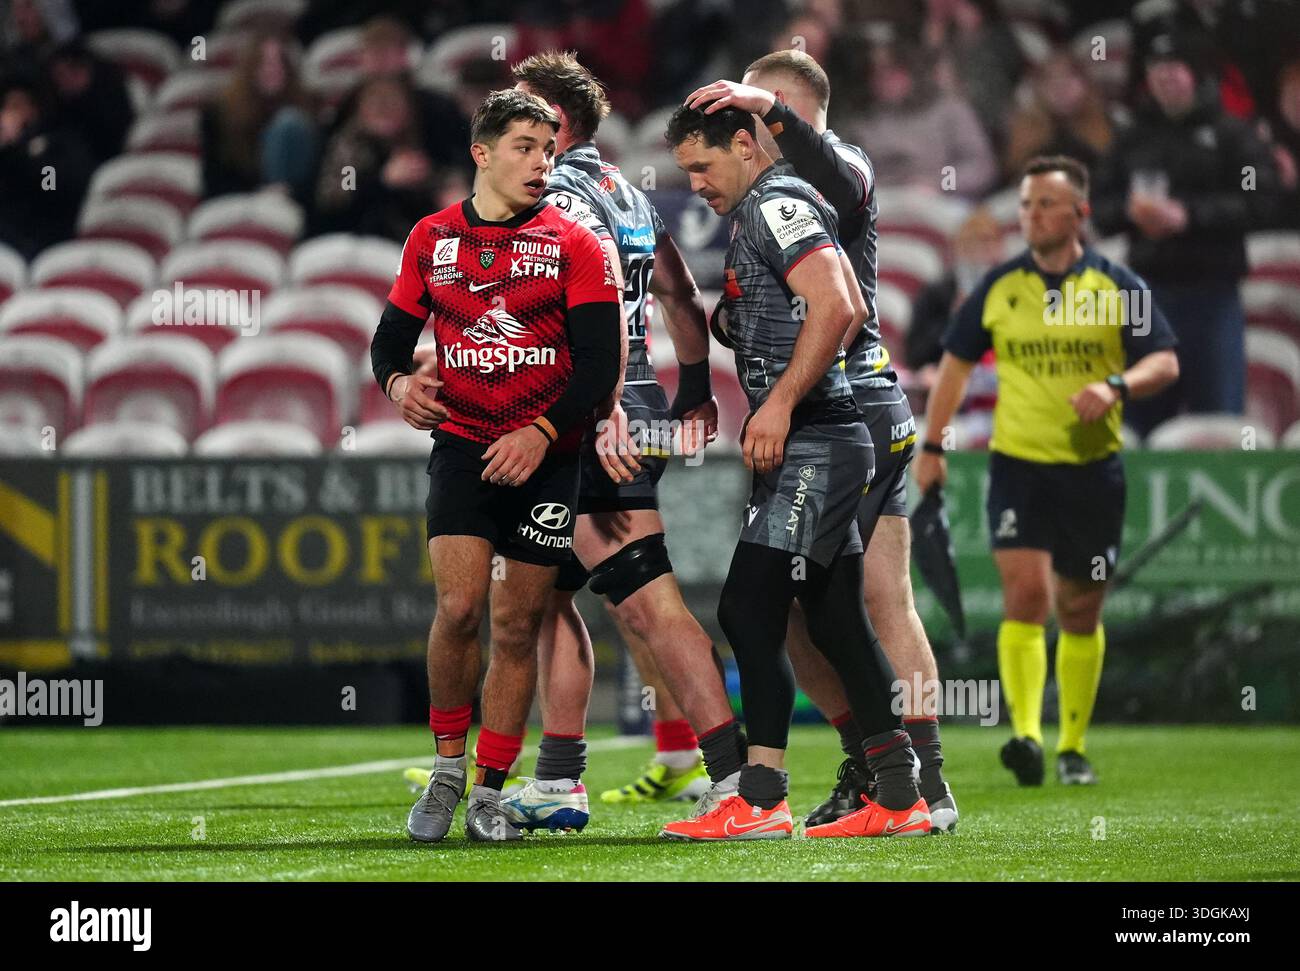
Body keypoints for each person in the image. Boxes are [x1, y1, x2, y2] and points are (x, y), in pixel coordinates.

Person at [684, 47, 959, 833]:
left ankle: (910, 778)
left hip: (848, 406)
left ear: (782, 107)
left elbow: (831, 298)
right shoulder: (769, 197)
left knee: (844, 600)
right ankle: (891, 775)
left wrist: (764, 108)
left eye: (757, 107)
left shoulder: (835, 169)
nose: (740, 119)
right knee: (827, 602)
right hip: (860, 405)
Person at [492, 51, 747, 831]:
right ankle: (560, 779)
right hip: (624, 404)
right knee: (545, 597)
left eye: (524, 112)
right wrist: (695, 388)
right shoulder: (626, 190)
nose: (509, 124)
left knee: (646, 600)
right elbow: (676, 291)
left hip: (595, 414)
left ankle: (737, 779)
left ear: (558, 124)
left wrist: (605, 413)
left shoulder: (559, 192)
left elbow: (593, 307)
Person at [370, 88, 622, 842]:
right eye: (523, 146)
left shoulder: (576, 244)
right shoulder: (431, 237)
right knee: (458, 609)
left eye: (548, 149)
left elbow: (598, 365)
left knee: (517, 625)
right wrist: (398, 384)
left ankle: (490, 788)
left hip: (547, 458)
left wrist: (541, 433)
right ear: (481, 153)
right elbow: (389, 342)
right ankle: (446, 769)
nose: (541, 163)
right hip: (464, 446)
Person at [915, 155, 1180, 786]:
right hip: (1018, 465)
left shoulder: (1118, 285)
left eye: (1044, 204)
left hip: (1092, 469)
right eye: (1026, 204)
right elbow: (952, 365)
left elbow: (1165, 362)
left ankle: (1074, 746)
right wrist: (933, 445)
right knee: (1025, 598)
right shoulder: (999, 286)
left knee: (1081, 610)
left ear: (1080, 213)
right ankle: (1028, 735)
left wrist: (1116, 384)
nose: (1030, 215)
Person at [1091, 31, 1278, 436]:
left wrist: (1190, 216)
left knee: (1218, 418)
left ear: (1195, 74)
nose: (1165, 78)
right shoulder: (1133, 136)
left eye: (1174, 68)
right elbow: (1098, 206)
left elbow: (1261, 201)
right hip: (1146, 292)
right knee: (1138, 419)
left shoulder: (1232, 133)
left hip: (1211, 290)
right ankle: (1140, 498)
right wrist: (1128, 210)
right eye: (1156, 69)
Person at [200, 31, 318, 202]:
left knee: (289, 121)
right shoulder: (218, 114)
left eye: (280, 63)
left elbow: (315, 176)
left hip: (294, 202)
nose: (274, 70)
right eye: (265, 63)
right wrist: (260, 193)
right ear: (250, 68)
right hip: (240, 202)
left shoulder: (307, 108)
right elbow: (214, 181)